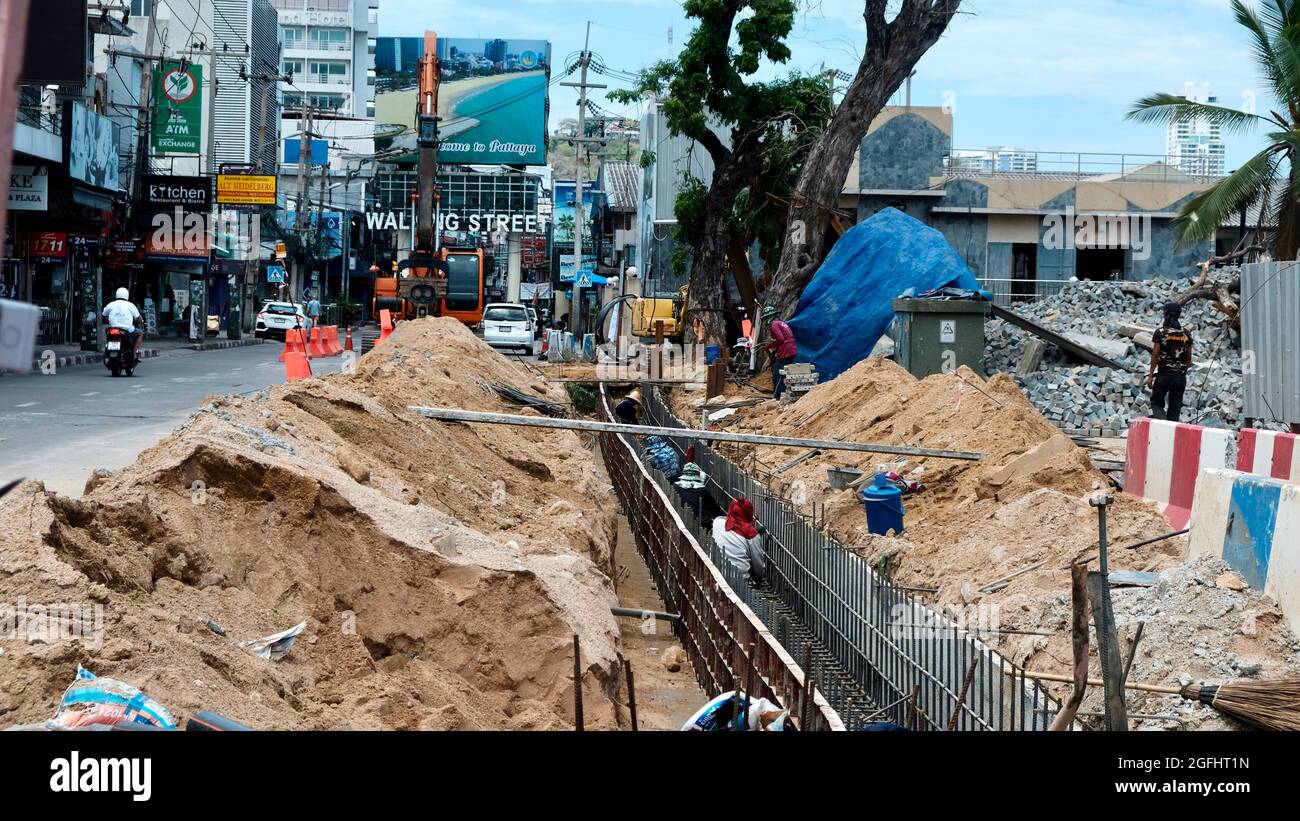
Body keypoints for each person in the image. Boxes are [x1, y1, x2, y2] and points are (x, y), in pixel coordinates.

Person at [1147, 302, 1193, 422]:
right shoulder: (1186, 334)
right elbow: (1188, 358)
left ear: (1165, 314)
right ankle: (1171, 433)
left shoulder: (1161, 332)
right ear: (1178, 315)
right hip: (1180, 377)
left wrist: (1151, 375)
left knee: (1156, 403)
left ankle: (1162, 427)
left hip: (1164, 375)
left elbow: (1155, 354)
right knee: (1175, 408)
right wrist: (1182, 371)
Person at [712, 496, 767, 582]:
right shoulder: (752, 534)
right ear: (749, 514)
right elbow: (758, 564)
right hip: (739, 579)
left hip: (715, 573)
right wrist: (758, 579)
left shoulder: (717, 522)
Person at [762, 306, 798, 400]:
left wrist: (769, 346)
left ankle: (778, 396)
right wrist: (773, 352)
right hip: (791, 349)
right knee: (784, 372)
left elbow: (780, 339)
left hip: (786, 351)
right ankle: (784, 394)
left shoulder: (774, 325)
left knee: (778, 373)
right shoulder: (780, 323)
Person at [102, 287, 144, 356]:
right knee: (140, 333)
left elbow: (104, 314)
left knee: (108, 336)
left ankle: (107, 350)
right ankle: (134, 354)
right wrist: (141, 322)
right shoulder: (131, 305)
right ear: (127, 295)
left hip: (113, 329)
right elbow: (139, 318)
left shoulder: (111, 304)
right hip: (127, 330)